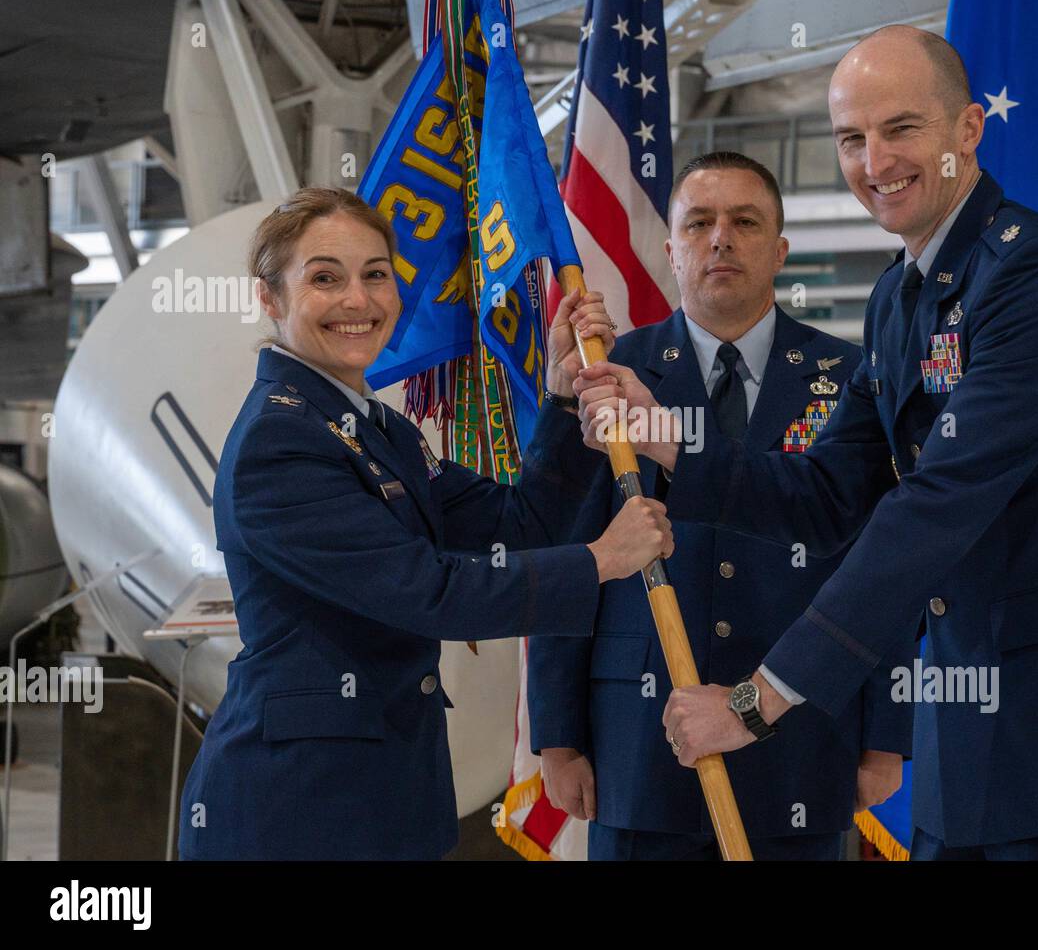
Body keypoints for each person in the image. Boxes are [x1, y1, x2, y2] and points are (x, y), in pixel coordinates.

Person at [575, 27, 1038, 860]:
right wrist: (669, 445)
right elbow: (833, 492)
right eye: (850, 138)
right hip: (966, 760)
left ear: (968, 131)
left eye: (901, 128)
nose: (875, 161)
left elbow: (936, 505)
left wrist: (756, 701)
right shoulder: (898, 300)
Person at [179, 187, 671, 860]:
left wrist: (560, 397)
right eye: (325, 278)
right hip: (297, 808)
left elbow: (517, 526)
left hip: (385, 795)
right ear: (269, 298)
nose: (358, 300)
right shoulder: (281, 441)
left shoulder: (376, 430)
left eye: (375, 274)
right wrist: (600, 561)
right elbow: (428, 594)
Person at [529, 152, 913, 861]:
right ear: (671, 249)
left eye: (745, 222)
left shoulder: (852, 379)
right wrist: (557, 733)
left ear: (779, 249)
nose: (721, 239)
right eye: (699, 223)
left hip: (803, 733)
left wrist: (886, 735)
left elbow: (884, 563)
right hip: (637, 740)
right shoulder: (611, 375)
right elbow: (564, 556)